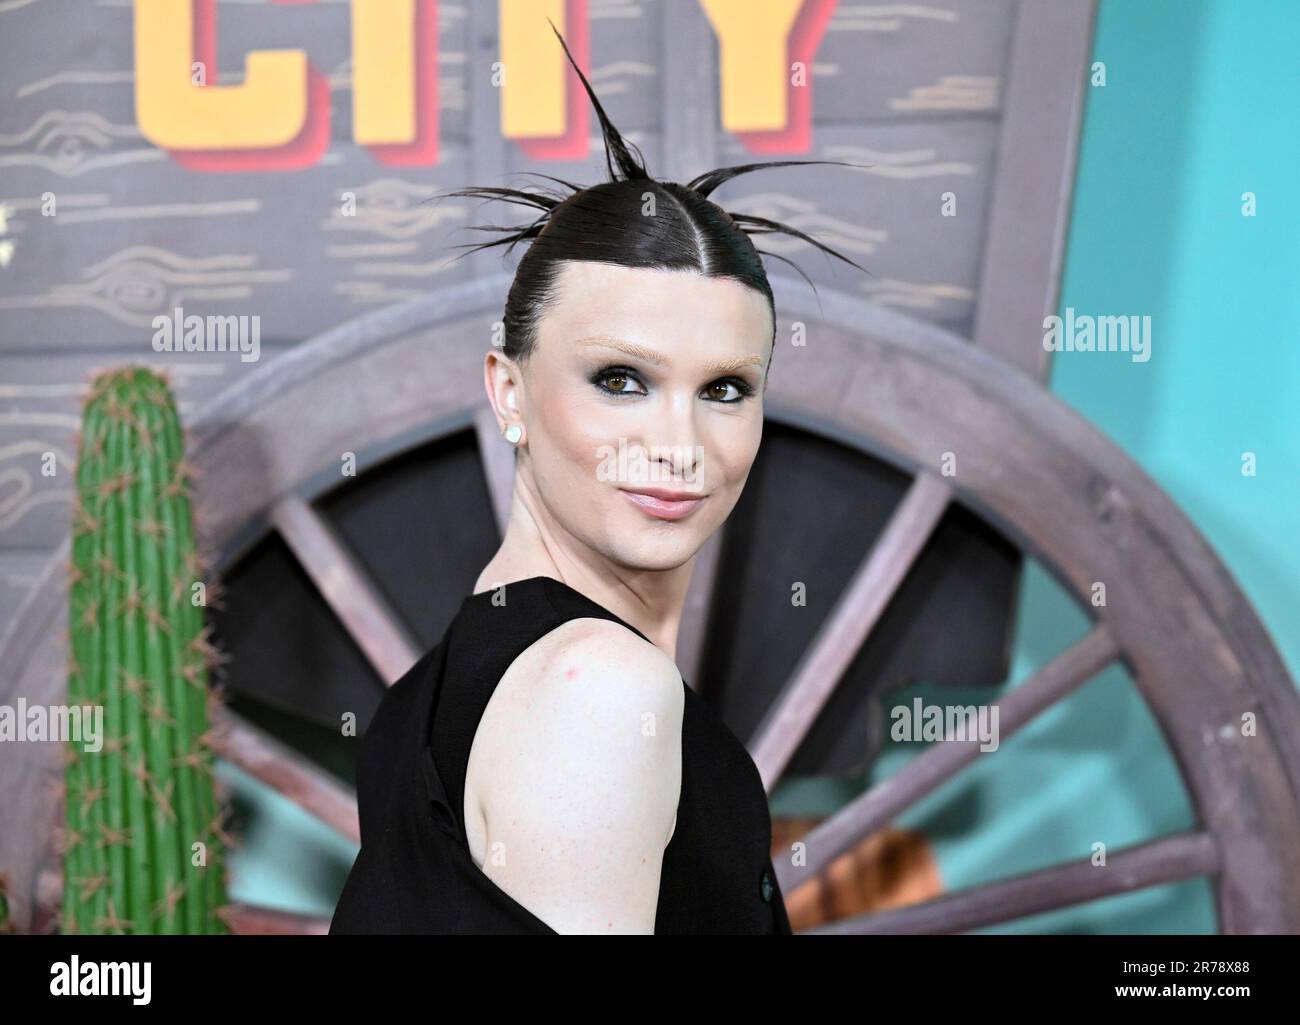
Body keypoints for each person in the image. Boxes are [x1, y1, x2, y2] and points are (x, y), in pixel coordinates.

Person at [329, 21, 865, 935]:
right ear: (508, 391)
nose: (679, 442)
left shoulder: (440, 685)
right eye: (622, 380)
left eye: (726, 389)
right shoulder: (601, 692)